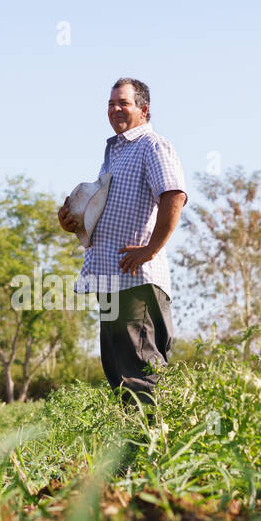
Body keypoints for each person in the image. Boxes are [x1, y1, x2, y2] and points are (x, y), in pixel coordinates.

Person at [58, 77, 187, 403]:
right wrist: (73, 222)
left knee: (141, 372)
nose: (115, 109)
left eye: (123, 103)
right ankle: (138, 451)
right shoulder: (114, 156)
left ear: (143, 110)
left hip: (136, 281)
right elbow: (106, 215)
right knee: (120, 374)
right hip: (110, 281)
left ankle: (160, 450)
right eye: (111, 103)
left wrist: (151, 249)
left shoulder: (152, 145)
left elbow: (174, 195)